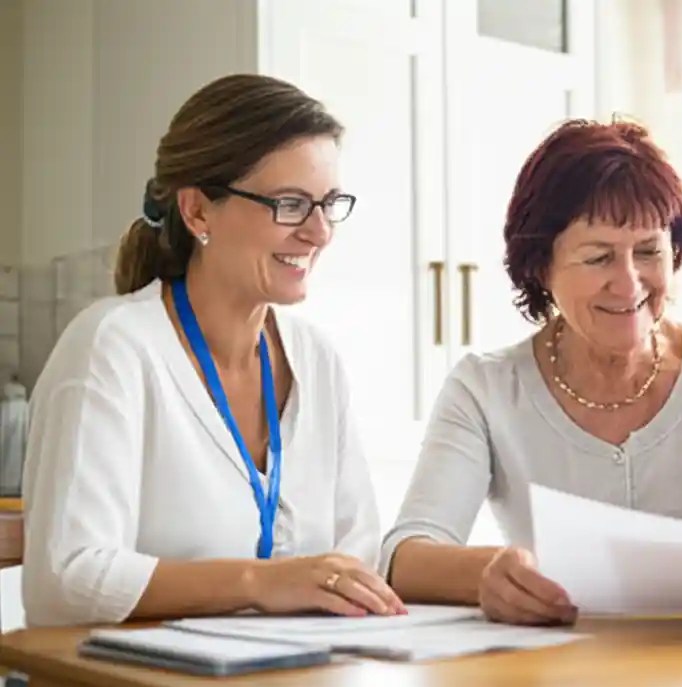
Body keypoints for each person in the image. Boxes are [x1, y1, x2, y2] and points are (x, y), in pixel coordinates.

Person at [22, 74, 406, 627]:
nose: (320, 232)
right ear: (198, 211)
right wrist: (258, 582)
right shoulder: (113, 349)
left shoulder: (317, 361)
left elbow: (356, 556)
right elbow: (67, 579)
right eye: (291, 204)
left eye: (328, 204)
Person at [382, 119, 682, 626]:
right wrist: (492, 572)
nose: (628, 284)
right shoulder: (485, 389)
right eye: (599, 257)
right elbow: (405, 557)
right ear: (540, 266)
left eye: (648, 251)